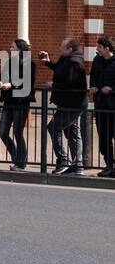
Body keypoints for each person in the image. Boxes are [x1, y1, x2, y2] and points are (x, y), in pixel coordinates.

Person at [39, 38, 88, 176]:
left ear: (70, 49)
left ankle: (64, 160)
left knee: (53, 127)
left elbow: (71, 83)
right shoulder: (66, 59)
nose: (60, 48)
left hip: (73, 103)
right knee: (72, 132)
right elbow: (60, 70)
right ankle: (77, 165)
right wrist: (48, 62)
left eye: (63, 47)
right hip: (67, 103)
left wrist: (54, 85)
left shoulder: (75, 62)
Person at [0, 38, 36, 171]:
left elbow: (26, 82)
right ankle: (16, 156)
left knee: (18, 132)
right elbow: (2, 76)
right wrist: (1, 82)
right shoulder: (10, 62)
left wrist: (11, 85)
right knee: (3, 132)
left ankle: (21, 161)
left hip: (21, 102)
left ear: (20, 49)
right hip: (9, 101)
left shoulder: (29, 63)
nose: (10, 49)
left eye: (13, 47)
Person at [90, 36, 115, 178]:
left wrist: (111, 89)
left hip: (113, 105)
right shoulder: (97, 60)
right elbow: (93, 76)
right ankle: (109, 165)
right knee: (104, 137)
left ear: (107, 48)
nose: (97, 49)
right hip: (100, 104)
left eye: (99, 47)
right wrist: (93, 86)